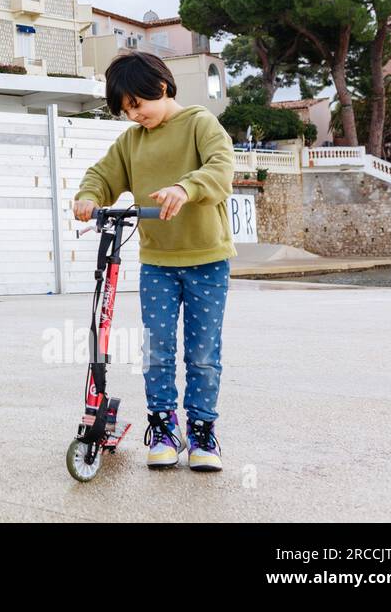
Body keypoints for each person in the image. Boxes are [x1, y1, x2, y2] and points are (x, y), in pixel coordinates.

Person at [72, 51, 236, 471]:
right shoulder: (132, 141)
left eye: (137, 104)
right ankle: (162, 427)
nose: (133, 115)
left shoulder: (199, 123)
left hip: (207, 260)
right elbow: (103, 174)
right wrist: (90, 197)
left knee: (201, 352)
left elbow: (221, 168)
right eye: (126, 109)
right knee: (158, 348)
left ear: (160, 88)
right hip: (158, 263)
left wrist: (186, 188)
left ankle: (202, 432)